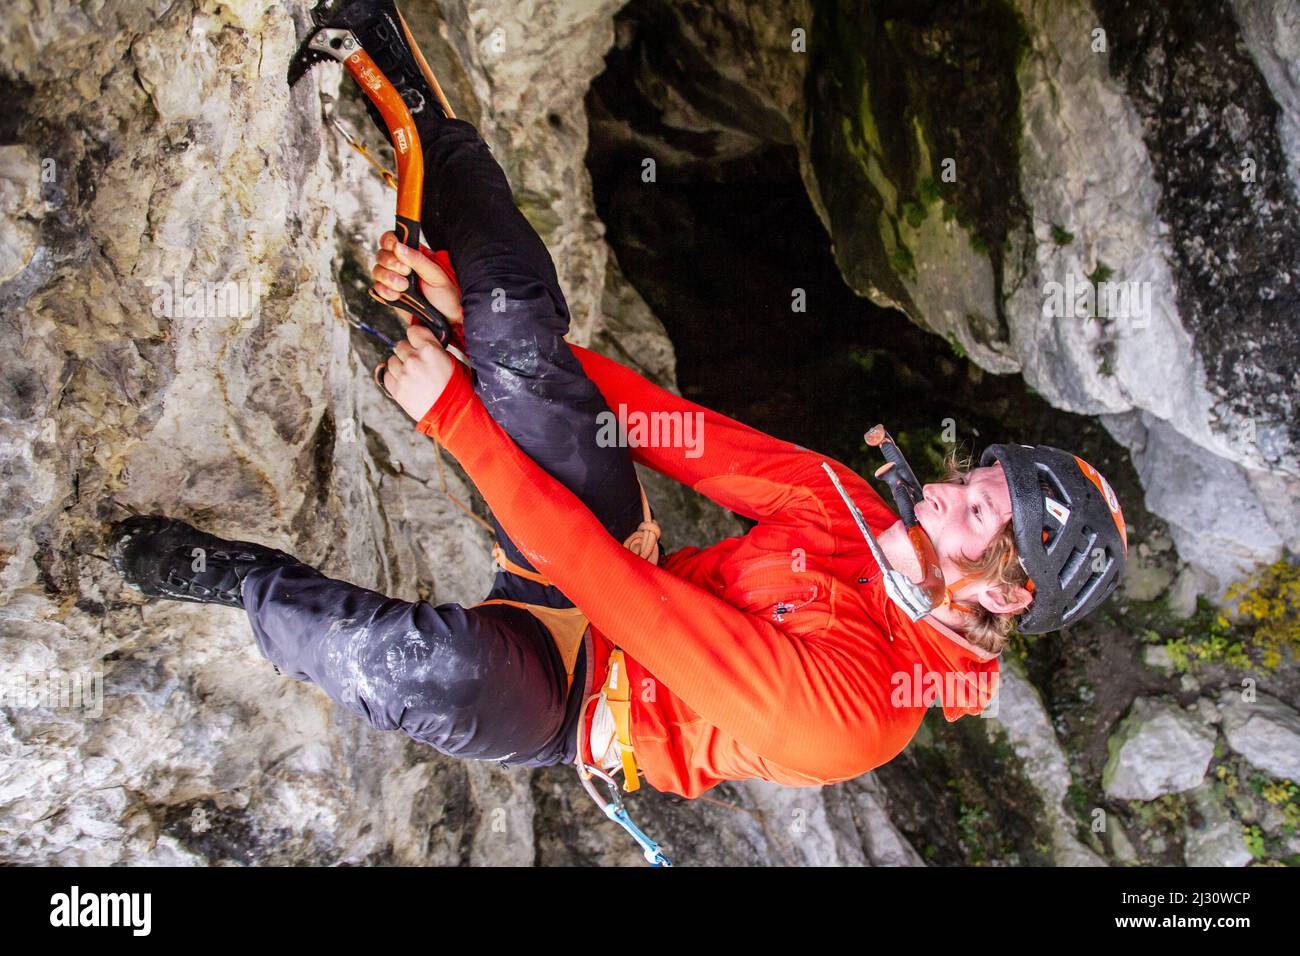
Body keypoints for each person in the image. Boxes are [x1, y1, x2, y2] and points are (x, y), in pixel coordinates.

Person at [111, 0, 1129, 807]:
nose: (955, 489)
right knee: (515, 316)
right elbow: (659, 424)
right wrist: (473, 326)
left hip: (572, 696)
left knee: (419, 667)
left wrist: (457, 414)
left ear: (1001, 595)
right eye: (981, 476)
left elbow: (618, 594)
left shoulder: (858, 713)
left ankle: (236, 577)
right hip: (612, 557)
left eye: (984, 513)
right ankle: (409, 90)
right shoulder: (849, 511)